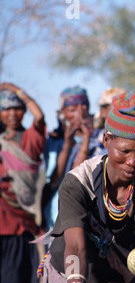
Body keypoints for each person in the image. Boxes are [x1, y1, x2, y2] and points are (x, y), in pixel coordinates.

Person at [39, 91, 135, 283]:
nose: (133, 162)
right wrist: (74, 280)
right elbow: (74, 246)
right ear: (107, 140)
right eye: (125, 151)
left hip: (118, 279)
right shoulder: (78, 183)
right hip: (69, 273)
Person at [0, 82, 46, 283]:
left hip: (18, 228)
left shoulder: (30, 140)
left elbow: (39, 117)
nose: (12, 114)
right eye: (6, 109)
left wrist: (15, 88)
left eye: (17, 108)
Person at [41, 86, 105, 231]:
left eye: (84, 108)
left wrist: (87, 138)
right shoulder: (54, 141)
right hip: (58, 216)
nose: (80, 115)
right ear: (62, 114)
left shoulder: (101, 138)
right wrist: (67, 146)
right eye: (72, 110)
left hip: (92, 218)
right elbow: (56, 180)